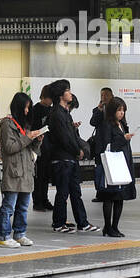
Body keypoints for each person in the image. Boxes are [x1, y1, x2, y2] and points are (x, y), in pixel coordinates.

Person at [47, 79, 97, 233]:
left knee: (75, 191)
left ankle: (83, 222)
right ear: (61, 95)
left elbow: (71, 136)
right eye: (68, 90)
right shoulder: (56, 114)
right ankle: (58, 223)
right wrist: (78, 150)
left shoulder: (65, 113)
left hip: (70, 158)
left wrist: (78, 150)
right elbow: (64, 138)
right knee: (63, 192)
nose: (70, 93)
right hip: (62, 158)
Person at [0, 92, 42, 247]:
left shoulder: (26, 126)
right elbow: (10, 147)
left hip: (27, 170)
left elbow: (32, 149)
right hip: (14, 171)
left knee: (23, 207)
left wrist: (37, 140)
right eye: (26, 108)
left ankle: (20, 233)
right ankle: (3, 235)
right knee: (9, 206)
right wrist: (28, 137)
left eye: (29, 108)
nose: (27, 111)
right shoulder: (7, 123)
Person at [93, 96, 135, 237]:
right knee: (110, 197)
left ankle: (115, 227)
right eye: (119, 110)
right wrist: (123, 139)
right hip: (112, 165)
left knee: (120, 197)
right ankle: (108, 226)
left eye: (123, 110)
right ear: (112, 111)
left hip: (122, 163)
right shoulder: (107, 125)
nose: (122, 113)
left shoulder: (122, 124)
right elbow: (107, 146)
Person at [31, 84, 56, 212]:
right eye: (50, 98)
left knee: (46, 175)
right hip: (38, 146)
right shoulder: (36, 109)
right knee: (38, 175)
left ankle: (45, 199)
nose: (51, 101)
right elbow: (33, 128)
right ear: (44, 97)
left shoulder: (52, 110)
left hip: (49, 146)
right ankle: (37, 201)